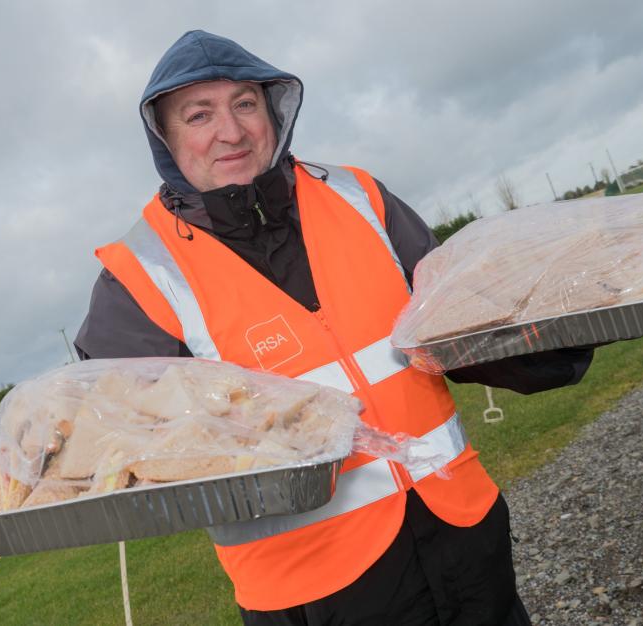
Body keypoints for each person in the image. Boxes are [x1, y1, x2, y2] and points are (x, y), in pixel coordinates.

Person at [76, 30, 595, 625]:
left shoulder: (359, 196)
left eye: (245, 104)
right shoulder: (140, 274)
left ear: (274, 111)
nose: (232, 131)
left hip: (462, 529)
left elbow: (458, 329)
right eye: (200, 115)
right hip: (314, 590)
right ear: (165, 139)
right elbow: (120, 443)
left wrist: (565, 328)